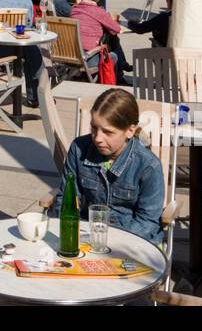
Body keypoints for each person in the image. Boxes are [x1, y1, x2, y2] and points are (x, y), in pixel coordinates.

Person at [49, 88, 164, 242]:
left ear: (130, 130)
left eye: (108, 132)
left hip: (131, 241)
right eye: (94, 128)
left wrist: (109, 239)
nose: (98, 138)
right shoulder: (79, 149)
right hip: (86, 235)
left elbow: (147, 222)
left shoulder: (148, 165)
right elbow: (66, 199)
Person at [70, 0, 131, 74]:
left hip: (71, 55)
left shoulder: (74, 10)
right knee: (113, 56)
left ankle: (123, 67)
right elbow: (117, 29)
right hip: (88, 59)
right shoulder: (100, 12)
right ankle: (118, 78)